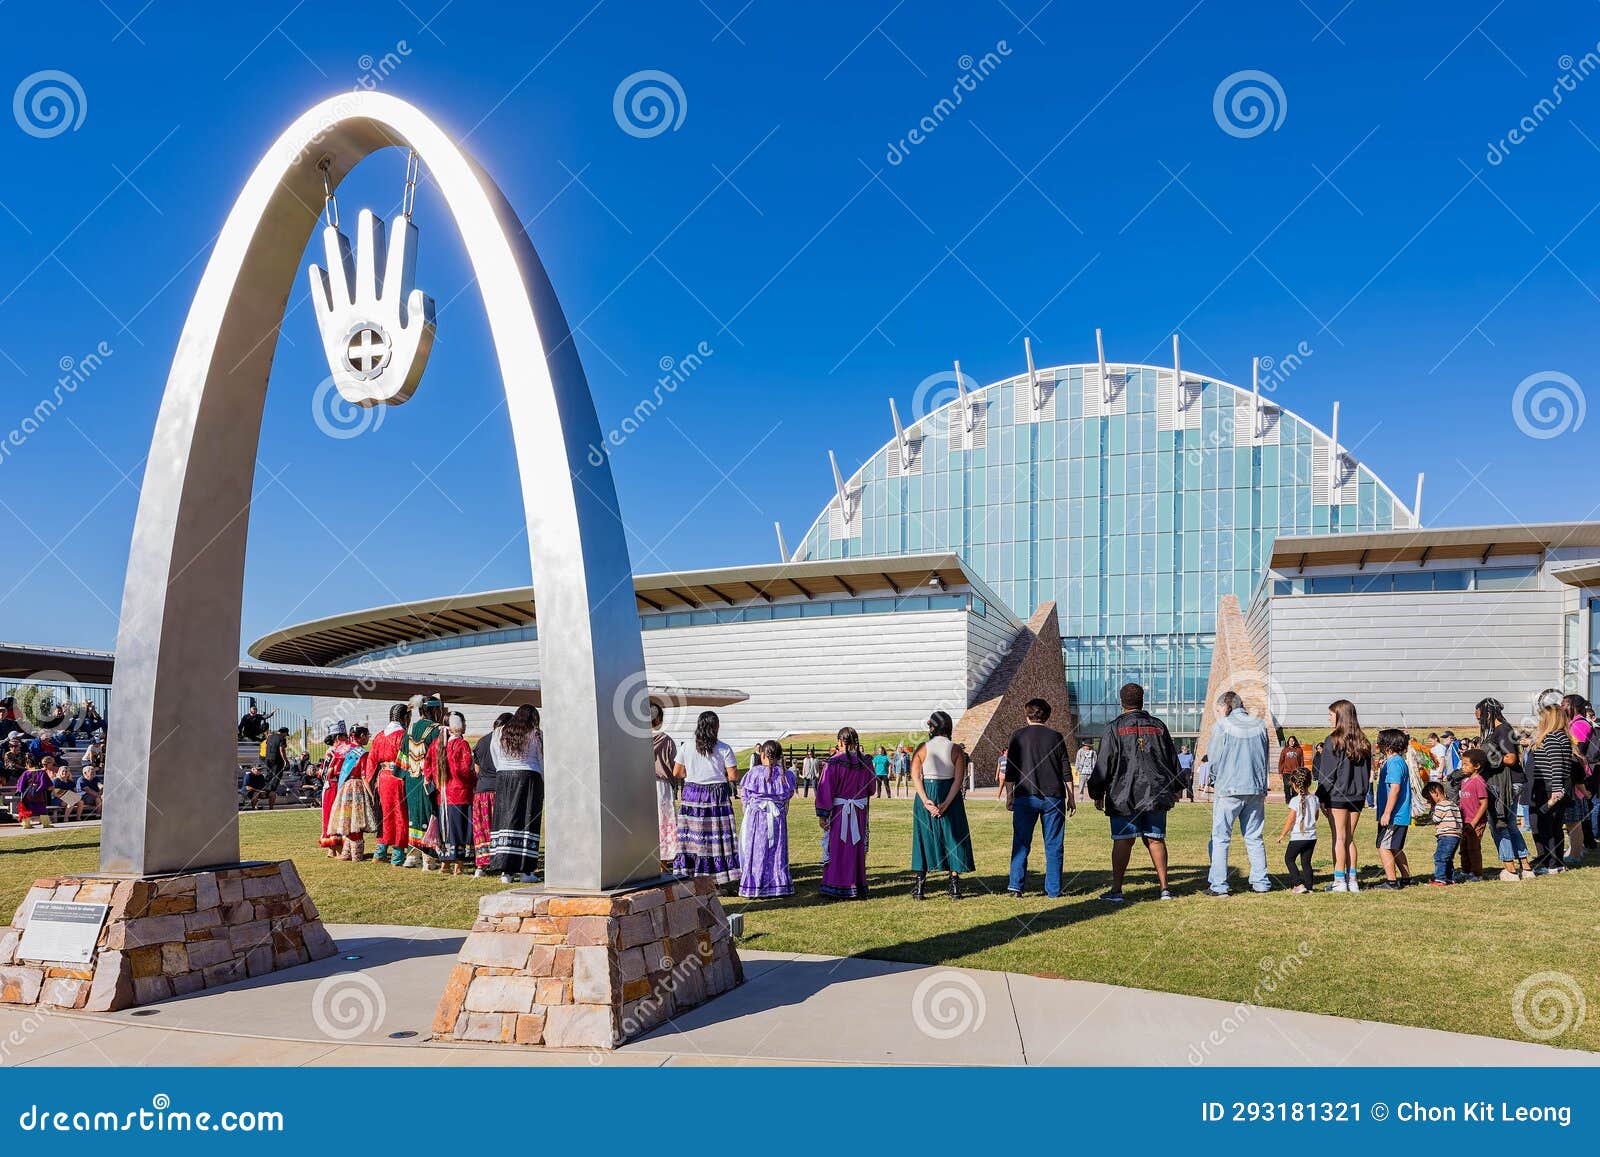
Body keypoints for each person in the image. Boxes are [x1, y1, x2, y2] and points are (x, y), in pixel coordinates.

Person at [1088, 682, 1180, 902]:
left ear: (1122, 702)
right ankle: (1164, 889)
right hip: (1155, 793)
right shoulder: (1158, 726)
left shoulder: (1113, 728)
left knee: (1123, 840)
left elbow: (1104, 763)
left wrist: (1096, 792)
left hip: (1122, 794)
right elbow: (1171, 759)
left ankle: (1117, 890)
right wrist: (1176, 787)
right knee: (1156, 839)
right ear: (1142, 700)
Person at [1002, 698, 1072, 898]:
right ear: (1048, 716)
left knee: (1021, 842)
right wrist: (1071, 797)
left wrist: (1009, 796)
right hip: (1053, 796)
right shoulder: (1056, 737)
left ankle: (1016, 886)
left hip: (1024, 795)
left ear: (1027, 714)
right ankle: (1053, 890)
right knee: (1054, 844)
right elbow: (1065, 769)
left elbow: (1011, 771)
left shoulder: (1017, 736)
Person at [1204, 690, 1271, 897]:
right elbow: (1265, 756)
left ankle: (1219, 885)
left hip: (1229, 787)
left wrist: (1213, 779)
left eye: (1218, 709)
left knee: (1221, 837)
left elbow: (1213, 758)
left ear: (1226, 706)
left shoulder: (1222, 726)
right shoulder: (1260, 725)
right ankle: (1261, 882)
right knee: (1254, 837)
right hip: (1255, 787)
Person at [911, 710, 977, 899]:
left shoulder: (922, 748)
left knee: (924, 838)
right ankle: (955, 885)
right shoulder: (956, 749)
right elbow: (959, 779)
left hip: (927, 793)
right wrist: (947, 802)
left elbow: (915, 776)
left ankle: (920, 885)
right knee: (953, 837)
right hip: (950, 794)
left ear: (932, 728)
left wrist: (925, 800)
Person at [672, 711, 740, 886]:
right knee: (717, 837)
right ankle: (718, 878)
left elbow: (677, 772)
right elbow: (733, 776)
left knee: (693, 836)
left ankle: (693, 872)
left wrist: (694, 773)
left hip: (692, 793)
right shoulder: (724, 748)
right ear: (716, 727)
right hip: (716, 795)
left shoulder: (686, 747)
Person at [1315, 700, 1372, 893]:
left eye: (1331, 715)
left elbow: (1326, 775)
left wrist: (1320, 797)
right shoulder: (1363, 741)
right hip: (1357, 796)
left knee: (1339, 837)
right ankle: (1352, 879)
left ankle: (1339, 880)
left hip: (1338, 796)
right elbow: (1367, 772)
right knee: (1349, 838)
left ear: (1341, 716)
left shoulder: (1333, 740)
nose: (1329, 718)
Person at [816, 726, 876, 899]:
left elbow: (825, 789)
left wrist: (822, 814)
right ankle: (855, 884)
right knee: (854, 848)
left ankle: (836, 884)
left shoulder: (833, 763)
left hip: (839, 811)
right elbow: (871, 789)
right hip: (858, 812)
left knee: (837, 848)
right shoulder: (865, 762)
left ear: (841, 741)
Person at [489, 704, 545, 884]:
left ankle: (506, 871)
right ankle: (526, 871)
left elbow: (495, 755)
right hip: (529, 776)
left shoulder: (500, 731)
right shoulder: (535, 733)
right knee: (527, 822)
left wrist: (504, 770)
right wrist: (543, 779)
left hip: (505, 777)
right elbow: (540, 758)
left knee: (506, 821)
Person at [738, 739, 795, 898]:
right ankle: (777, 884)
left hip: (757, 818)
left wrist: (748, 810)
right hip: (777, 819)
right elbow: (788, 795)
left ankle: (756, 884)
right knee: (776, 850)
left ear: (762, 755)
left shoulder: (754, 773)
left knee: (757, 850)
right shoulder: (786, 776)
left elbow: (745, 795)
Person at [1527, 689, 1573, 874]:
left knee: (1545, 826)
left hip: (1548, 787)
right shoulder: (1563, 737)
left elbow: (1556, 766)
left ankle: (1550, 864)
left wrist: (1555, 791)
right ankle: (1557, 862)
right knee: (1555, 826)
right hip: (1557, 786)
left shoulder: (1552, 738)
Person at [402, 698, 445, 870]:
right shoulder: (436, 730)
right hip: (429, 781)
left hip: (411, 781)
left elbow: (402, 760)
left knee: (414, 817)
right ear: (435, 712)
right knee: (430, 815)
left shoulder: (410, 729)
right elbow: (440, 759)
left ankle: (412, 856)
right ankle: (429, 859)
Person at [433, 712, 477, 875]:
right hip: (460, 793)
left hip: (444, 794)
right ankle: (458, 864)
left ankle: (445, 863)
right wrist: (474, 780)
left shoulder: (441, 745)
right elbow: (465, 769)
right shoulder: (461, 744)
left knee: (447, 828)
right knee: (460, 828)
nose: (465, 725)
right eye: (464, 722)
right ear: (459, 725)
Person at [328, 725, 379, 860]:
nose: (369, 738)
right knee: (357, 819)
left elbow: (334, 771)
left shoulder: (341, 749)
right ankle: (357, 854)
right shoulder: (362, 753)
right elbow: (364, 775)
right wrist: (371, 793)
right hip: (357, 785)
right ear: (361, 736)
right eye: (368, 735)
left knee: (348, 818)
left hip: (344, 786)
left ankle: (346, 853)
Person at [370, 703, 411, 866]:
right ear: (404, 718)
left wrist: (371, 782)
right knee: (400, 814)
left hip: (383, 778)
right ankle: (397, 855)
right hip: (398, 777)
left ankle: (380, 851)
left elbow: (371, 761)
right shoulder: (403, 735)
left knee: (384, 813)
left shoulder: (379, 736)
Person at [1373, 728, 1413, 890]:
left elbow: (1395, 788)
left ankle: (1391, 881)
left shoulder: (1394, 763)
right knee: (1395, 847)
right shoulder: (1397, 761)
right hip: (1399, 815)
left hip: (1394, 815)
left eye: (1380, 741)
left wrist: (1387, 813)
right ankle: (1406, 877)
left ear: (1388, 745)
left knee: (1383, 846)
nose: (1377, 744)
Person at [471, 712, 509, 877]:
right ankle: (501, 865)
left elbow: (476, 769)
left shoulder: (481, 741)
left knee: (482, 829)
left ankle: (481, 867)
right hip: (500, 791)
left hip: (481, 792)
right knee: (501, 829)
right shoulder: (506, 741)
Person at [1276, 766, 1320, 893]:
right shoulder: (1315, 799)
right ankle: (1309, 887)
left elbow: (1291, 820)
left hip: (1298, 837)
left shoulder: (1295, 801)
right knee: (1306, 862)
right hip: (1311, 837)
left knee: (1289, 859)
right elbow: (1316, 817)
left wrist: (1282, 835)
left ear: (1295, 785)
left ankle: (1298, 884)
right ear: (1309, 782)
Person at [650, 702, 679, 871]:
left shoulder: (634, 739)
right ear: (659, 718)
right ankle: (663, 862)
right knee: (664, 821)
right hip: (661, 785)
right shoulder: (666, 740)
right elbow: (674, 767)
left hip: (639, 784)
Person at [320, 722, 353, 856]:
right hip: (334, 786)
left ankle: (332, 849)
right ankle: (337, 848)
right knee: (337, 816)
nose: (348, 738)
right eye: (345, 736)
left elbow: (322, 772)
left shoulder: (331, 752)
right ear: (338, 738)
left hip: (330, 786)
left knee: (330, 816)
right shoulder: (337, 753)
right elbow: (326, 773)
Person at [1457, 748, 1489, 881]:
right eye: (1462, 763)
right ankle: (1465, 870)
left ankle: (1477, 873)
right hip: (1464, 821)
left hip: (1475, 822)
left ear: (1476, 766)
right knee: (1463, 848)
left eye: (1466, 764)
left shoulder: (1479, 782)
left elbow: (1484, 803)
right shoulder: (1464, 781)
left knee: (1473, 848)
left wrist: (1474, 822)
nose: (1462, 767)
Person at [1425, 781, 1461, 885]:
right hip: (1456, 835)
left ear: (1435, 793)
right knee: (1448, 858)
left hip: (1446, 835)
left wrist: (1432, 809)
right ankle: (1449, 878)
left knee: (1439, 857)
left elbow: (1435, 819)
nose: (1429, 800)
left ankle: (1440, 879)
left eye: (1429, 797)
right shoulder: (1453, 804)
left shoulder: (1440, 805)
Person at [15, 757, 52, 828]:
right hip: (39, 793)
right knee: (41, 808)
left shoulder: (26, 772)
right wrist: (39, 790)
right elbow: (45, 783)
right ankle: (46, 824)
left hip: (27, 793)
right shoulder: (42, 772)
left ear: (28, 764)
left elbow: (20, 783)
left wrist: (20, 791)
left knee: (27, 808)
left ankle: (26, 824)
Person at [1277, 736, 1304, 805]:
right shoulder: (1285, 750)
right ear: (1288, 742)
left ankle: (1294, 801)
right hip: (1286, 772)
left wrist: (1301, 771)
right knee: (1287, 787)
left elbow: (1301, 762)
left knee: (1295, 787)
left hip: (1296, 772)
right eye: (1290, 741)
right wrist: (1280, 772)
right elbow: (1281, 762)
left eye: (1293, 741)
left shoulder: (1299, 750)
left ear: (1295, 741)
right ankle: (1288, 801)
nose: (1292, 742)